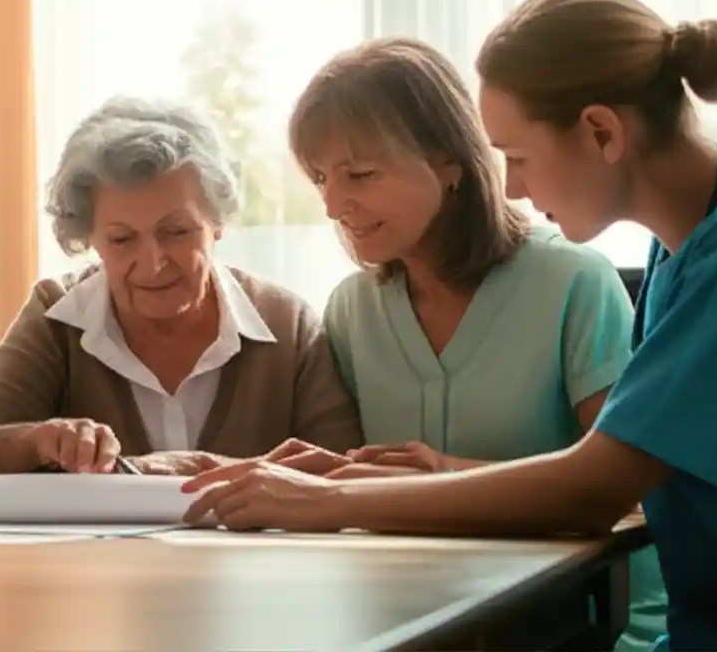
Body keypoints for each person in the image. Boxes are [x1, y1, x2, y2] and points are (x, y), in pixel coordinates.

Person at [184, 0, 717, 651]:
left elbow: (598, 487)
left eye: (516, 157)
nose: (511, 186)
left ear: (601, 131)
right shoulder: (702, 235)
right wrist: (420, 477)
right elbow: (625, 462)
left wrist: (329, 504)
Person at [255, 36, 665, 651]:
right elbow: (346, 495)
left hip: (593, 626)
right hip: (425, 627)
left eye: (361, 174)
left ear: (450, 162)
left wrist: (442, 475)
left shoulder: (574, 282)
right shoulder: (350, 308)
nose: (336, 204)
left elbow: (621, 497)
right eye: (320, 179)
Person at [0, 97, 362, 475]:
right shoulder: (56, 316)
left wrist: (195, 471)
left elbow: (343, 472)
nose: (152, 264)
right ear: (89, 239)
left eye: (176, 232)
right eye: (121, 239)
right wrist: (38, 440)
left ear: (217, 223)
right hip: (96, 571)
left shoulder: (288, 325)